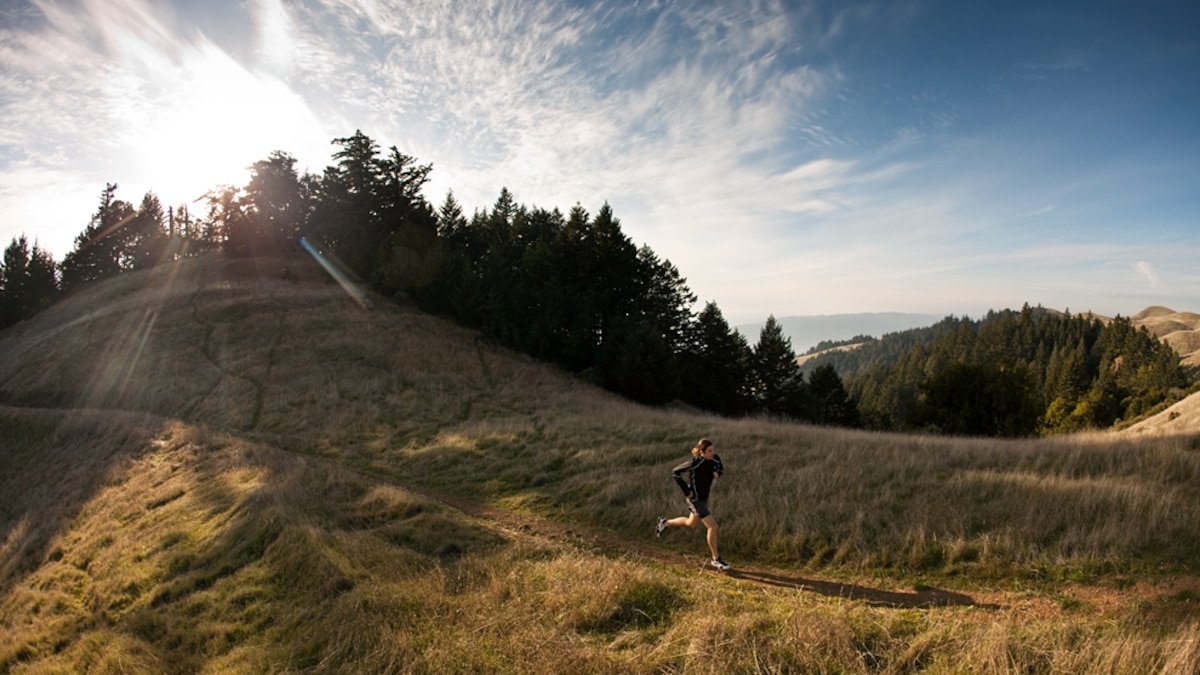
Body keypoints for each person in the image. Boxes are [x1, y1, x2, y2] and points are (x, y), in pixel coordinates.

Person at [656, 438, 729, 570]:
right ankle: (716, 559)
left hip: (704, 497)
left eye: (713, 450)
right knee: (713, 526)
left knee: (691, 523)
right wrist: (686, 490)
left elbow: (720, 467)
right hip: (695, 499)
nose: (713, 453)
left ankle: (665, 522)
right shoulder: (695, 463)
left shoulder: (715, 458)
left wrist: (718, 473)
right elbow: (675, 472)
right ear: (702, 452)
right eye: (709, 451)